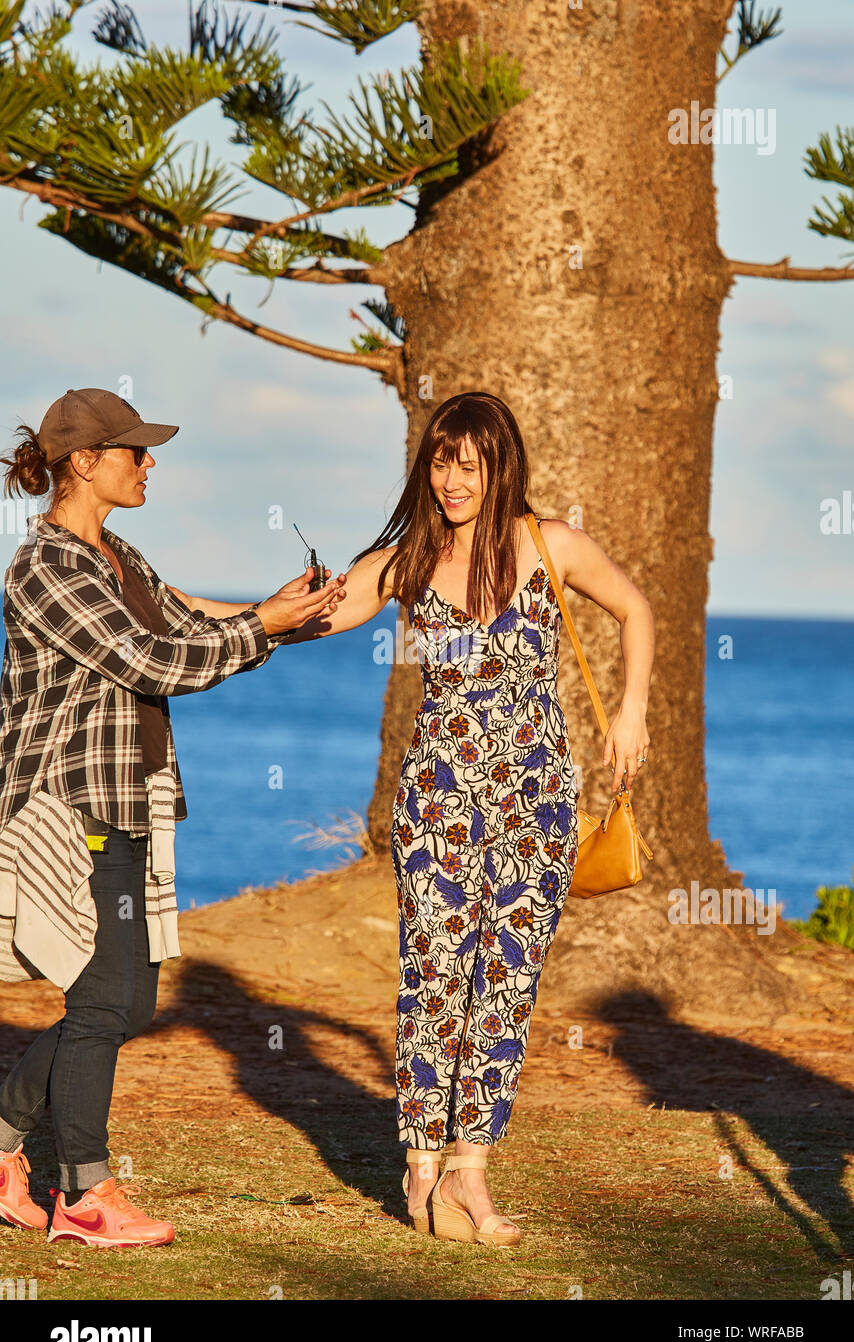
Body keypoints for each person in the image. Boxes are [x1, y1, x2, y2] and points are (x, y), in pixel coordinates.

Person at [280, 390, 654, 1246]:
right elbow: (314, 616)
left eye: (470, 463)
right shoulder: (407, 557)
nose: (453, 479)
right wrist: (218, 617)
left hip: (537, 797)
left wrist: (630, 713)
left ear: (499, 466)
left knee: (508, 981)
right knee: (435, 970)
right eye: (442, 461)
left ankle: (471, 1170)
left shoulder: (548, 543)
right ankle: (420, 1167)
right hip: (439, 798)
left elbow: (637, 609)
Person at [0, 387, 344, 1248]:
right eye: (135, 451)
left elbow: (191, 621)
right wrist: (262, 626)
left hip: (131, 801)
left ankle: (3, 1142)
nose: (150, 463)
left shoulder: (119, 556)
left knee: (128, 996)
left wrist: (287, 616)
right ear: (85, 462)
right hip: (70, 807)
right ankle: (83, 1194)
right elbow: (148, 659)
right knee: (103, 995)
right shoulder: (45, 568)